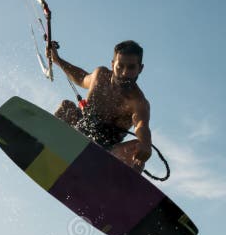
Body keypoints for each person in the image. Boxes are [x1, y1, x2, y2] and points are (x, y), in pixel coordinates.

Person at [49, 40, 151, 173]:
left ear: (140, 69)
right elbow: (81, 78)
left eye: (131, 67)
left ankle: (116, 188)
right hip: (76, 134)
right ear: (113, 64)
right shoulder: (100, 76)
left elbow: (141, 125)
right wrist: (57, 60)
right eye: (120, 66)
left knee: (137, 151)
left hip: (106, 153)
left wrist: (145, 143)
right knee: (66, 107)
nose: (125, 73)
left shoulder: (139, 102)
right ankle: (46, 146)